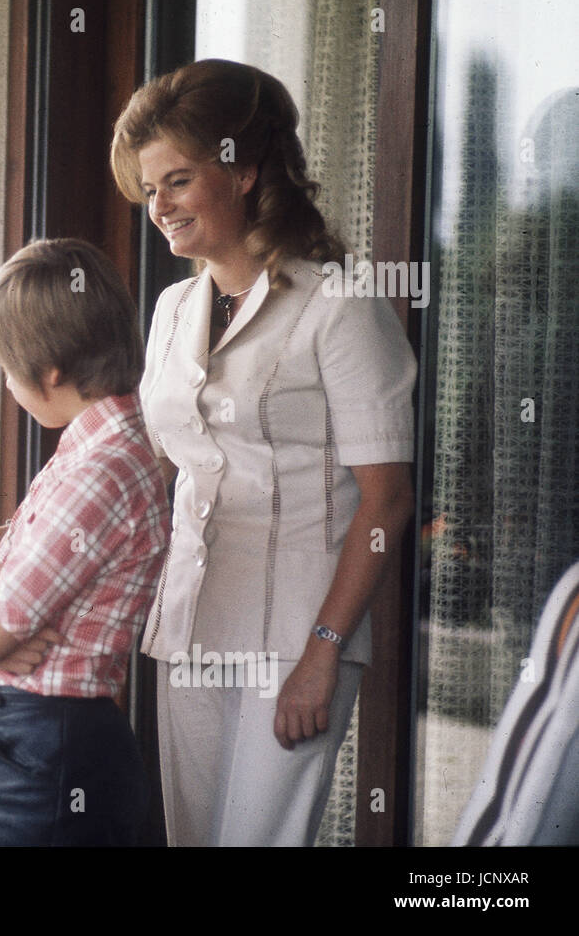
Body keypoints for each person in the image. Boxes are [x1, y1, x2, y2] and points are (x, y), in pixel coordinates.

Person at [109, 58, 417, 845]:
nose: (160, 209)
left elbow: (386, 499)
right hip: (189, 627)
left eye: (176, 181)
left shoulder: (338, 307)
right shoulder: (175, 308)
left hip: (296, 637)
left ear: (242, 171)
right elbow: (161, 468)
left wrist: (323, 651)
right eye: (150, 191)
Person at [0, 239, 170, 846]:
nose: (6, 383)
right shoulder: (98, 448)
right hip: (41, 739)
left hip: (51, 749)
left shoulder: (101, 470)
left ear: (47, 373)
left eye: (7, 367)